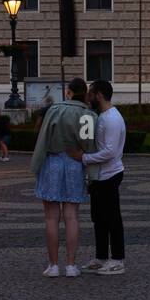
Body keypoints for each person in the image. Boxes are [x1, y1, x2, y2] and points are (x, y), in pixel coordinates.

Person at [30, 77, 93, 278]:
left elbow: (43, 140)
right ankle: (72, 265)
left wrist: (36, 166)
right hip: (75, 164)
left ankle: (53, 265)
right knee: (72, 216)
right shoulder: (88, 115)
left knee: (51, 217)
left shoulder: (55, 110)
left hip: (53, 163)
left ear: (68, 92)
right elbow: (89, 145)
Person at [69, 79, 125, 275]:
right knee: (99, 219)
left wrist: (84, 158)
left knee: (112, 219)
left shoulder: (111, 119)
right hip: (100, 176)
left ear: (99, 95)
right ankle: (101, 257)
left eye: (90, 93)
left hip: (110, 174)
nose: (88, 97)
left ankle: (117, 260)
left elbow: (109, 151)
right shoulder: (103, 116)